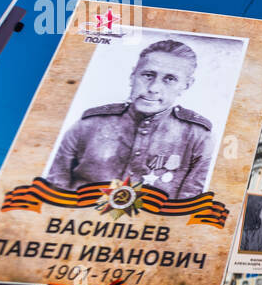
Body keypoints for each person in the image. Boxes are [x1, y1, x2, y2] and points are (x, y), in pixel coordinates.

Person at [46, 39, 213, 198]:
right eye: (148, 75)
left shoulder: (198, 138)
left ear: (186, 85)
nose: (154, 88)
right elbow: (53, 189)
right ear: (133, 76)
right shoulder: (88, 125)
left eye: (170, 79)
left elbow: (190, 208)